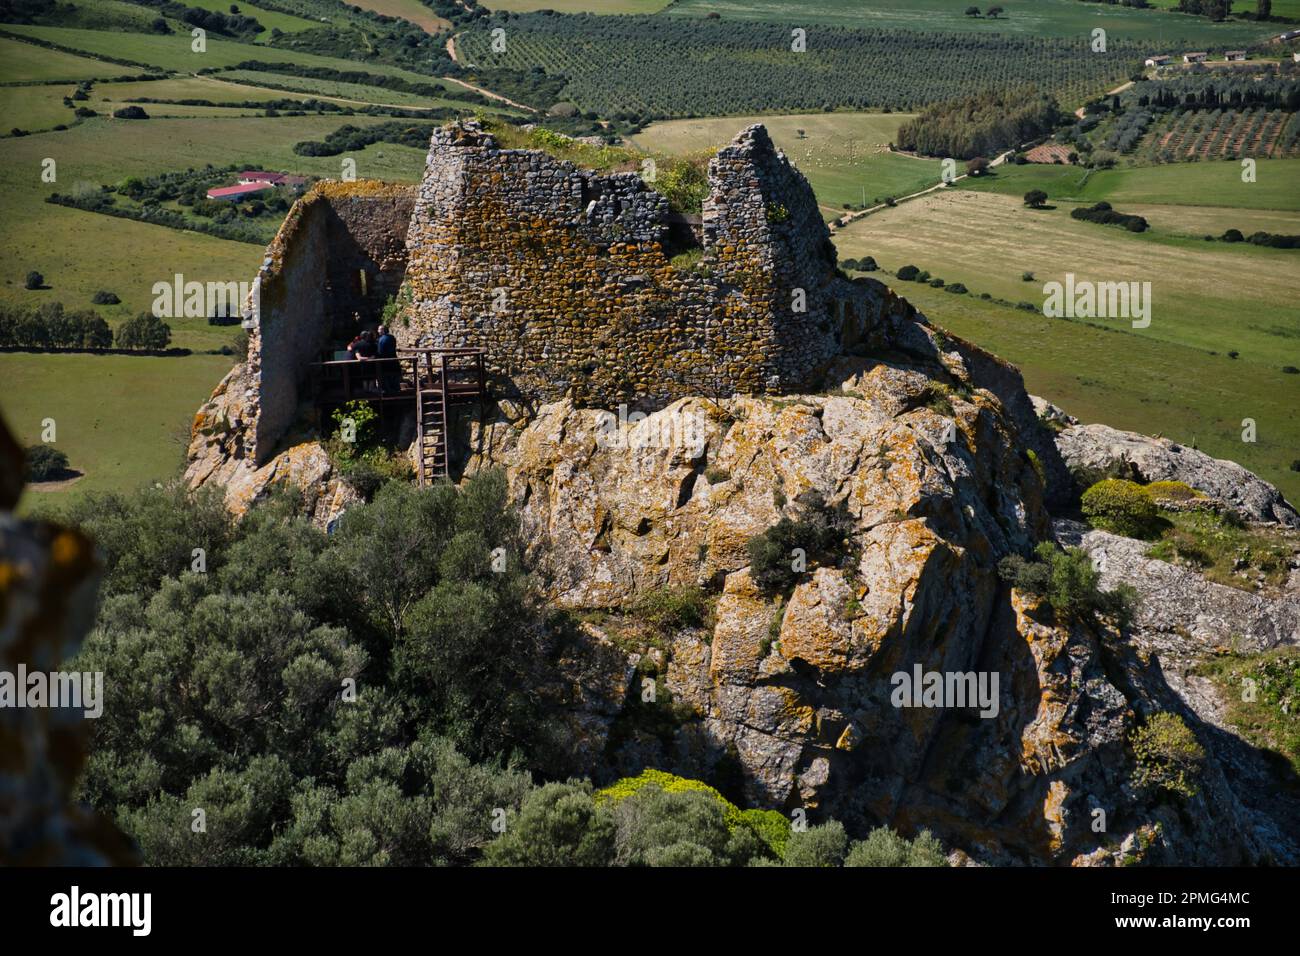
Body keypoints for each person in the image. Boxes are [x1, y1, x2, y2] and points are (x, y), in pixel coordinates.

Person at [375, 324, 399, 393]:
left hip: (385, 362)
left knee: (386, 377)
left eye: (379, 329)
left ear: (382, 330)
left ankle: (387, 391)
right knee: (393, 377)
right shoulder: (392, 337)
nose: (378, 331)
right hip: (393, 360)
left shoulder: (381, 339)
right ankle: (395, 390)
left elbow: (380, 352)